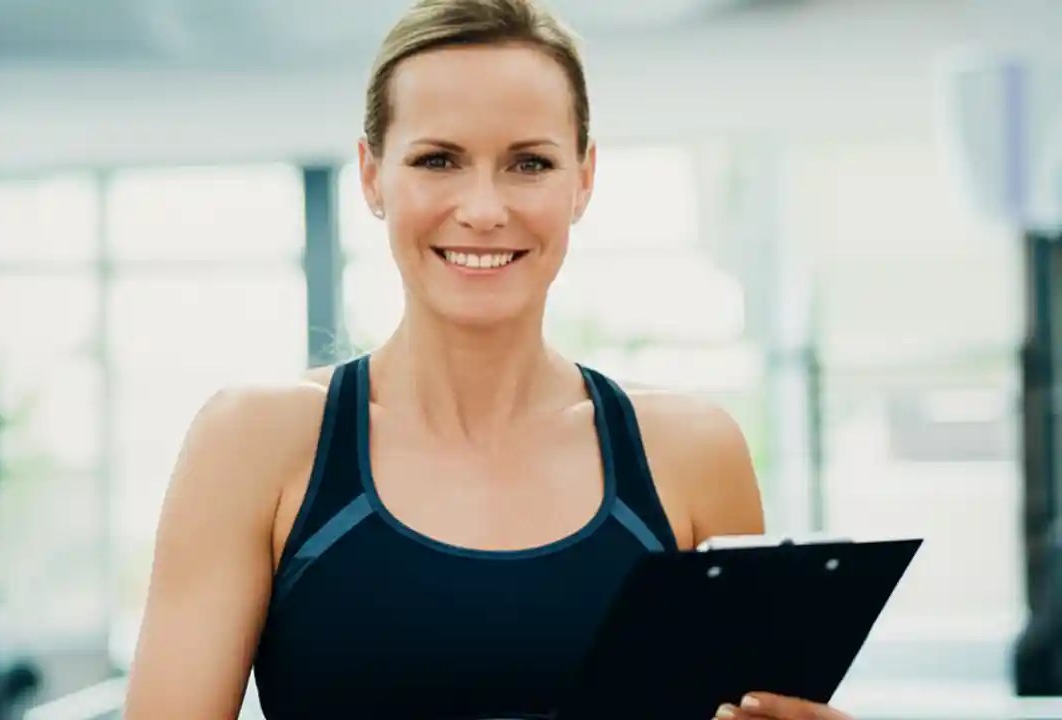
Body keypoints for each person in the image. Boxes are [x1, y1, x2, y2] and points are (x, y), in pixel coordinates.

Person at [123, 0, 854, 718]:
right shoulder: (255, 442)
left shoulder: (692, 453)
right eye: (438, 160)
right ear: (373, 175)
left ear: (584, 180)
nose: (482, 208)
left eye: (529, 163)